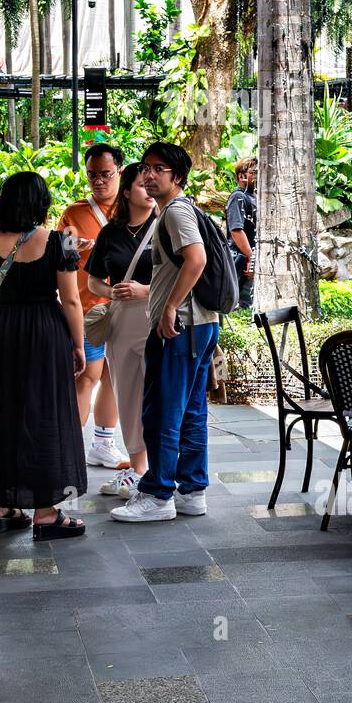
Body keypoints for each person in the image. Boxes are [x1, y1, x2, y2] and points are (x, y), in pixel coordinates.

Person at [0, 172, 87, 542]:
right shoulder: (61, 241)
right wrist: (79, 344)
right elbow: (70, 299)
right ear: (40, 203)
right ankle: (46, 513)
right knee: (44, 414)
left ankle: (0, 509)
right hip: (43, 333)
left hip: (0, 332)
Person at [111, 142, 219, 524]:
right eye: (146, 167)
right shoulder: (178, 210)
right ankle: (192, 490)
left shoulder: (174, 212)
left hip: (181, 327)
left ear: (178, 177)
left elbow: (197, 258)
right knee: (190, 411)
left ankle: (158, 495)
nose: (149, 174)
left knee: (161, 412)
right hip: (199, 326)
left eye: (160, 169)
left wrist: (171, 306)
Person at [86, 163, 157, 498]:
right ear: (127, 191)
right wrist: (110, 291)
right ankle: (136, 469)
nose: (151, 187)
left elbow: (187, 273)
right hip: (121, 321)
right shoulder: (110, 233)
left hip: (158, 317)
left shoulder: (166, 224)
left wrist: (146, 290)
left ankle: (160, 469)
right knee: (127, 396)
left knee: (159, 394)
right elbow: (93, 279)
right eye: (144, 183)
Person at [58, 144, 128, 469]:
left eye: (105, 174)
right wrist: (77, 248)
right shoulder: (74, 213)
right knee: (88, 375)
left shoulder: (134, 208)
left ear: (120, 172)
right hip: (88, 309)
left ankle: (103, 443)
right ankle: (69, 445)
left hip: (125, 308)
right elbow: (62, 258)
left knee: (114, 376)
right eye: (92, 175)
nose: (98, 181)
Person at [226, 156, 257, 310]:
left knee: (249, 304)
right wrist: (250, 256)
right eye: (254, 172)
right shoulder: (238, 196)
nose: (258, 176)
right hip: (240, 258)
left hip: (249, 256)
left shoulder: (254, 197)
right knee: (241, 305)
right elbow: (236, 230)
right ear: (241, 176)